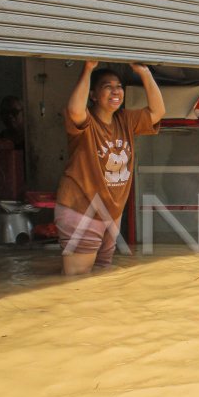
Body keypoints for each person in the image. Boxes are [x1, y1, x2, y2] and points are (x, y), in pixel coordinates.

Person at [55, 61, 165, 275]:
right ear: (93, 95)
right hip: (81, 208)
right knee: (77, 282)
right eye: (107, 86)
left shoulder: (125, 119)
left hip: (111, 212)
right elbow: (75, 109)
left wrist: (144, 72)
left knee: (102, 274)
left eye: (119, 86)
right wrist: (87, 68)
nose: (116, 91)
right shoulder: (86, 122)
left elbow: (158, 111)